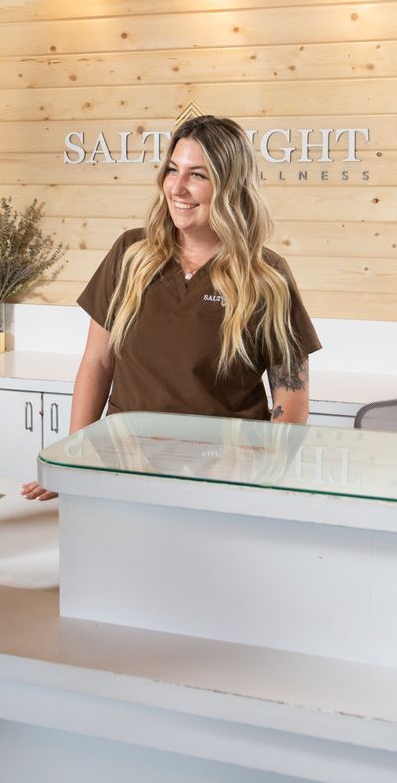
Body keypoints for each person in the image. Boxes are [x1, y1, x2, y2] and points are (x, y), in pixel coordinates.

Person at [23, 114, 321, 501]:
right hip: (123, 469)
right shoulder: (130, 254)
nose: (177, 188)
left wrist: (267, 477)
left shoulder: (266, 276)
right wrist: (73, 458)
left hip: (224, 480)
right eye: (172, 170)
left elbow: (290, 396)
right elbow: (97, 362)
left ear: (230, 186)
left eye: (197, 175)